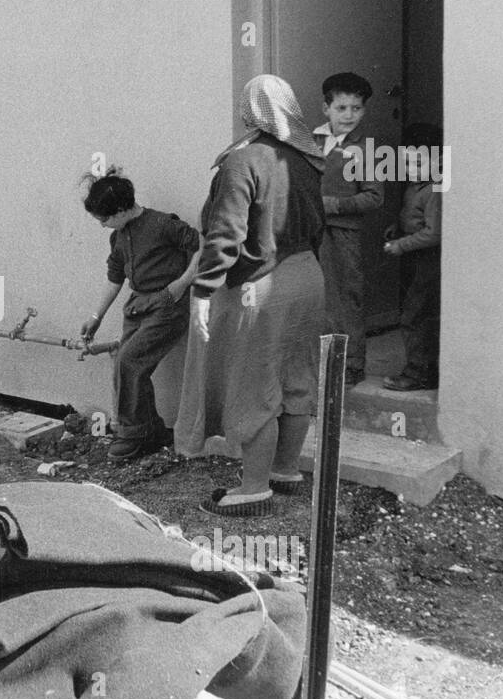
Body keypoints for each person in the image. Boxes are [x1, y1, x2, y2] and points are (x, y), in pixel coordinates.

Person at [175, 75, 326, 518]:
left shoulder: (243, 161)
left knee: (254, 386)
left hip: (262, 286)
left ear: (250, 111)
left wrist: (202, 291)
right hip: (307, 276)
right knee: (297, 379)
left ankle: (254, 488)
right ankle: (284, 470)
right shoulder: (307, 159)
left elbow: (226, 232)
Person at [78, 171, 200, 461]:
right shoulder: (118, 237)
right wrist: (96, 316)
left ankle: (133, 434)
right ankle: (152, 431)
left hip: (166, 306)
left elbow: (203, 245)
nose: (103, 225)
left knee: (129, 362)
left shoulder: (162, 224)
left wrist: (181, 284)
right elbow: (115, 278)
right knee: (131, 366)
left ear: (121, 210)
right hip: (137, 307)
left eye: (104, 219)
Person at [312, 72, 383, 388]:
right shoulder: (309, 141)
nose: (349, 115)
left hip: (343, 233)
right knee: (315, 295)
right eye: (341, 108)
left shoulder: (367, 149)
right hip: (309, 231)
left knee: (346, 296)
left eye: (356, 108)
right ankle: (318, 364)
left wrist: (331, 205)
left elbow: (374, 196)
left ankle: (352, 364)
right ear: (326, 108)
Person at [381, 123, 443, 391]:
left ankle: (418, 373)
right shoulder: (415, 186)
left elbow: (433, 233)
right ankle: (422, 369)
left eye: (418, 162)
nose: (411, 168)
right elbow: (413, 218)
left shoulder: (435, 190)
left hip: (427, 258)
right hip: (415, 258)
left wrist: (402, 245)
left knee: (415, 316)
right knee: (415, 311)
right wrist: (398, 227)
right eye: (406, 163)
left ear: (439, 160)